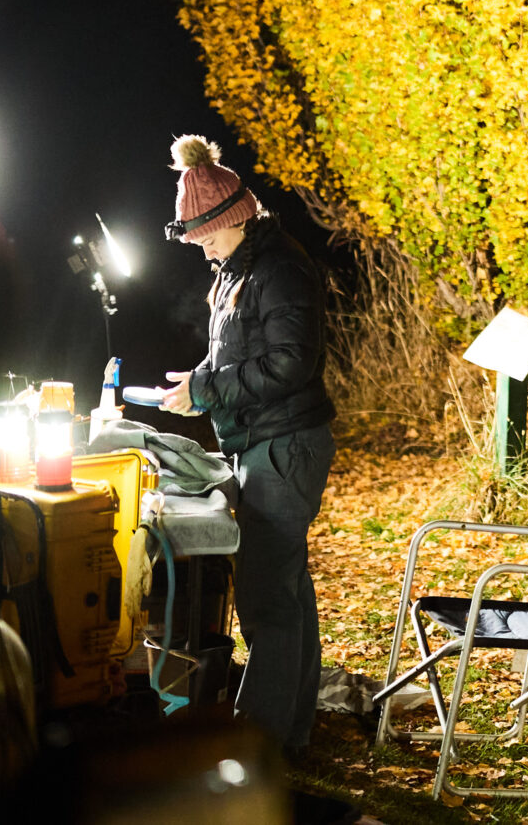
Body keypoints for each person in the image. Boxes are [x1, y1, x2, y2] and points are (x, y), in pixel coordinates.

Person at [157, 134, 336, 756]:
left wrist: (207, 389)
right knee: (288, 592)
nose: (201, 247)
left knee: (265, 601)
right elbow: (239, 351)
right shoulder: (238, 266)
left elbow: (291, 362)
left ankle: (257, 745)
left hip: (285, 446)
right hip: (263, 439)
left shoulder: (279, 267)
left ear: (235, 217)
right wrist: (197, 382)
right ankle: (293, 730)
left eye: (206, 234)